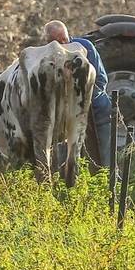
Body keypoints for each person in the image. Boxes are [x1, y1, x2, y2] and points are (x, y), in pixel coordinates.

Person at [42, 20, 114, 167]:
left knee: (104, 161)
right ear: (49, 43)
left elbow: (100, 80)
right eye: (58, 42)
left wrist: (82, 101)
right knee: (66, 164)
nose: (64, 43)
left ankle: (109, 178)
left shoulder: (85, 47)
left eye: (65, 39)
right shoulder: (46, 58)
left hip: (96, 111)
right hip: (65, 120)